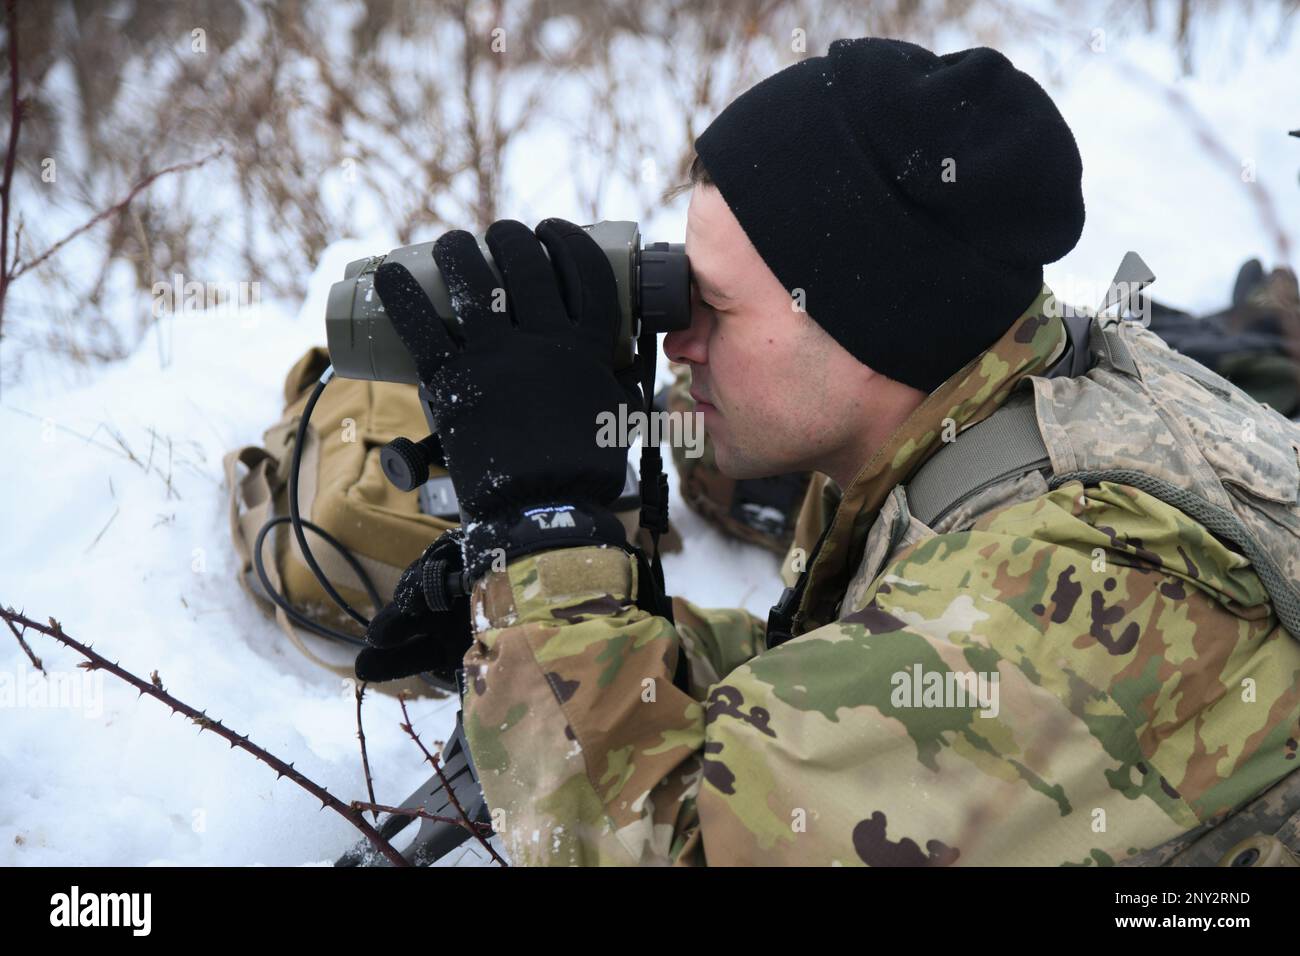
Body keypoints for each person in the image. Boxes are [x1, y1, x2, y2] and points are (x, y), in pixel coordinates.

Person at [359, 37, 1300, 865]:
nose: (680, 343)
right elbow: (848, 678)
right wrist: (544, 612)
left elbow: (678, 847)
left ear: (869, 322)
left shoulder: (1057, 587)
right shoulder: (984, 411)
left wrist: (544, 562)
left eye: (714, 307)